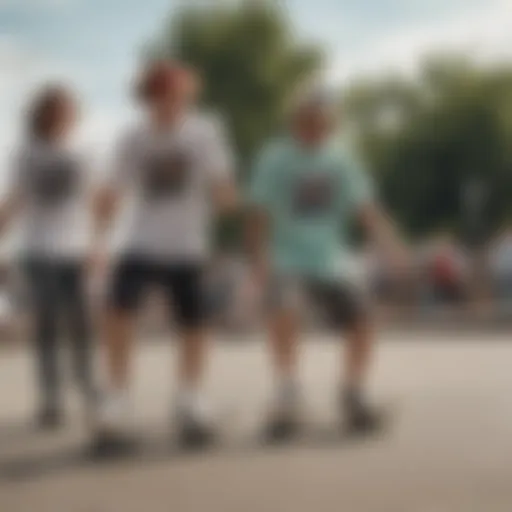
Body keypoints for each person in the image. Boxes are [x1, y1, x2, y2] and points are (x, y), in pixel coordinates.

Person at [247, 85, 408, 441]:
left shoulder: (342, 159)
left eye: (322, 123)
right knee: (284, 309)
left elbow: (365, 207)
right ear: (295, 120)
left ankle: (353, 391)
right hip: (287, 256)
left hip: (331, 259)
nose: (315, 129)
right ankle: (288, 391)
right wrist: (257, 259)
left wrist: (391, 245)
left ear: (332, 124)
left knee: (363, 318)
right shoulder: (275, 157)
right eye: (308, 121)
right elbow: (258, 211)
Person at [93, 61, 237, 448]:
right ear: (147, 100)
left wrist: (226, 196)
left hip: (188, 244)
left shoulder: (205, 132)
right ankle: (117, 398)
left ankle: (190, 397)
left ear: (187, 96)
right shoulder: (132, 137)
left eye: (177, 98)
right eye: (161, 99)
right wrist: (98, 235)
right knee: (117, 310)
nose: (169, 106)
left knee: (193, 322)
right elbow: (113, 189)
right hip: (140, 240)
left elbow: (222, 182)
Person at [0, 85, 97, 428]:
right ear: (42, 114)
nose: (62, 117)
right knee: (48, 323)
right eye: (56, 110)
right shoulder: (27, 153)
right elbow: (14, 198)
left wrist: (99, 245)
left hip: (76, 247)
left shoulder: (81, 151)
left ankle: (87, 385)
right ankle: (51, 397)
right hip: (38, 248)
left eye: (67, 110)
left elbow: (94, 200)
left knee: (82, 321)